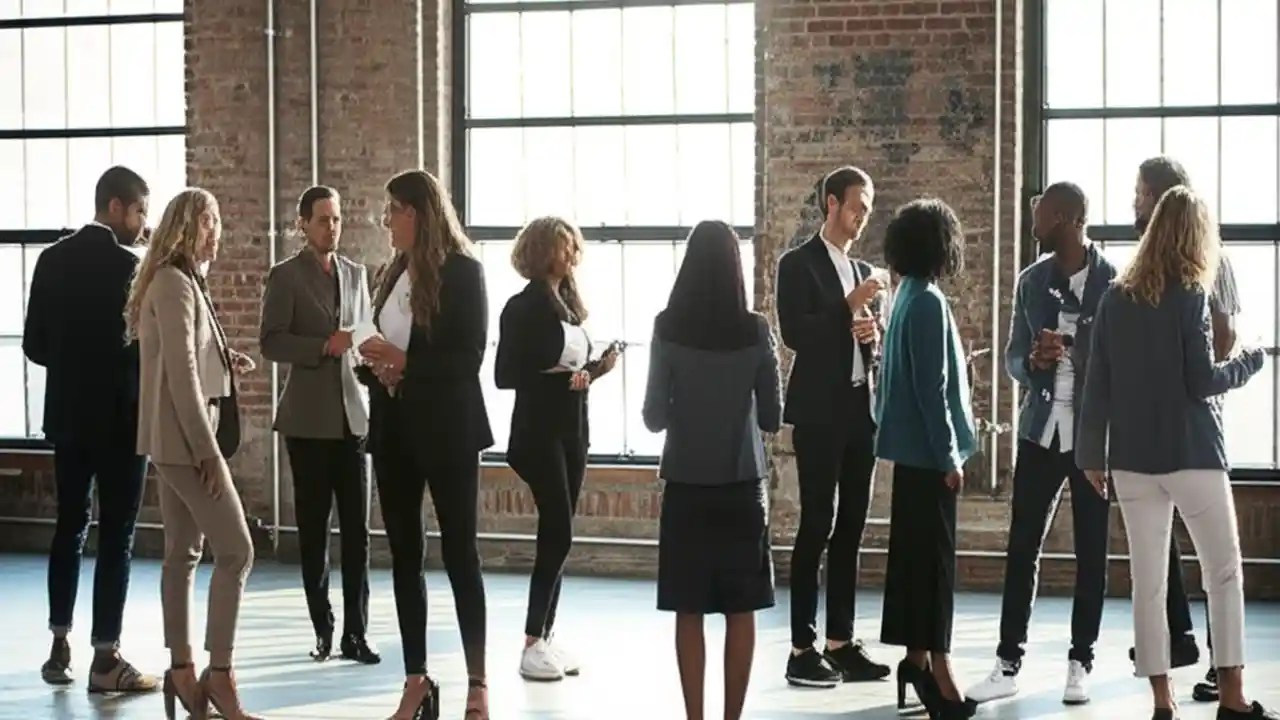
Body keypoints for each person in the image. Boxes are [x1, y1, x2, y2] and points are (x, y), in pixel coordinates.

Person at [1076, 185, 1274, 720]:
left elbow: (1097, 387)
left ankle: (1163, 704)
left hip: (1133, 462)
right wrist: (1251, 362)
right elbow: (1203, 379)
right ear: (1197, 236)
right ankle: (1232, 699)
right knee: (1223, 573)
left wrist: (1091, 457)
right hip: (1193, 454)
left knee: (1148, 582)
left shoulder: (1114, 297)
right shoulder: (1190, 294)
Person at [966, 182, 1116, 706]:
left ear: (1069, 217)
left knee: (1091, 551)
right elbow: (1010, 358)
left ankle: (1081, 661)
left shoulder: (1114, 284)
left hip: (1093, 440)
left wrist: (1080, 351)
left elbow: (1124, 368)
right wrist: (1031, 362)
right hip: (1040, 434)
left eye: (1043, 210)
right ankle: (1008, 663)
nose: (1034, 215)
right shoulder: (1030, 282)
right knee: (1022, 546)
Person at [354, 170, 492, 720]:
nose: (386, 221)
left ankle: (478, 683)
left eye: (393, 210)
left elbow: (468, 357)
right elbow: (382, 354)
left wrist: (404, 363)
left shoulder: (464, 272)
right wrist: (376, 368)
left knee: (461, 553)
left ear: (418, 212)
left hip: (450, 430)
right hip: (395, 430)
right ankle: (416, 681)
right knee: (404, 556)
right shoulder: (391, 273)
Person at [126, 188, 262, 720]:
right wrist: (207, 452)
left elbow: (182, 356)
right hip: (186, 442)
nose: (217, 230)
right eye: (209, 221)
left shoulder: (180, 280)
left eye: (218, 220)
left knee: (183, 554)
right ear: (186, 226)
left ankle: (182, 670)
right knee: (238, 551)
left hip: (174, 438)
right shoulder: (173, 281)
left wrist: (224, 360)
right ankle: (219, 674)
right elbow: (180, 374)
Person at [21, 166, 158, 692]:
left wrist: (71, 366)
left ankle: (59, 644)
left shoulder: (51, 261)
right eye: (141, 211)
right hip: (122, 422)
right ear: (117, 206)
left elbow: (33, 345)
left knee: (69, 526)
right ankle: (105, 658)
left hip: (69, 420)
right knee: (117, 534)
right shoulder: (133, 268)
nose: (144, 225)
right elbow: (148, 349)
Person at [641, 220, 781, 720]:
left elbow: (654, 416)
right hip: (743, 486)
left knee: (689, 607)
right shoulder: (756, 330)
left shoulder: (666, 327)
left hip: (686, 486)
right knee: (741, 609)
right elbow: (772, 416)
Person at [1130, 156, 1243, 702]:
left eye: (1143, 194)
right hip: (1180, 433)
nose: (1136, 204)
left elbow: (1221, 340)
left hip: (1188, 427)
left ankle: (1190, 682)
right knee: (1204, 566)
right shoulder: (1140, 273)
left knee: (1187, 566)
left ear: (1167, 201)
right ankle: (1203, 670)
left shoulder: (1210, 268)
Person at [774, 166, 891, 687]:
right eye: (856, 208)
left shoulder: (862, 268)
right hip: (819, 414)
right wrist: (851, 307)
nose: (862, 219)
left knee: (852, 529)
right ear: (831, 203)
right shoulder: (796, 265)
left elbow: (870, 345)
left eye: (867, 211)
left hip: (859, 412)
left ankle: (840, 643)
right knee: (817, 523)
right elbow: (795, 334)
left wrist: (872, 332)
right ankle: (802, 647)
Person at [494, 216, 620, 681]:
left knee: (560, 535)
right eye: (566, 247)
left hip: (573, 428)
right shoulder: (520, 307)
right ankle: (530, 642)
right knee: (559, 532)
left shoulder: (568, 306)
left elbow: (570, 372)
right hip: (538, 431)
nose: (573, 256)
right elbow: (505, 374)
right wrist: (559, 376)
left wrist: (596, 369)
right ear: (545, 251)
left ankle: (545, 636)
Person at [260, 185, 379, 664]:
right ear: (303, 224)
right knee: (314, 531)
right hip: (307, 423)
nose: (332, 226)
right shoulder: (285, 276)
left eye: (337, 218)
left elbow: (365, 332)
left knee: (358, 534)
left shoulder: (356, 274)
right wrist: (322, 347)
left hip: (353, 419)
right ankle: (323, 630)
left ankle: (357, 634)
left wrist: (369, 352)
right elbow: (270, 342)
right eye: (324, 219)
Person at [874, 197, 977, 720]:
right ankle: (938, 669)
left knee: (916, 565)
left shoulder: (905, 295)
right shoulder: (929, 301)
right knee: (935, 569)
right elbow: (932, 390)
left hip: (910, 459)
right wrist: (950, 457)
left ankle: (917, 661)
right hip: (930, 458)